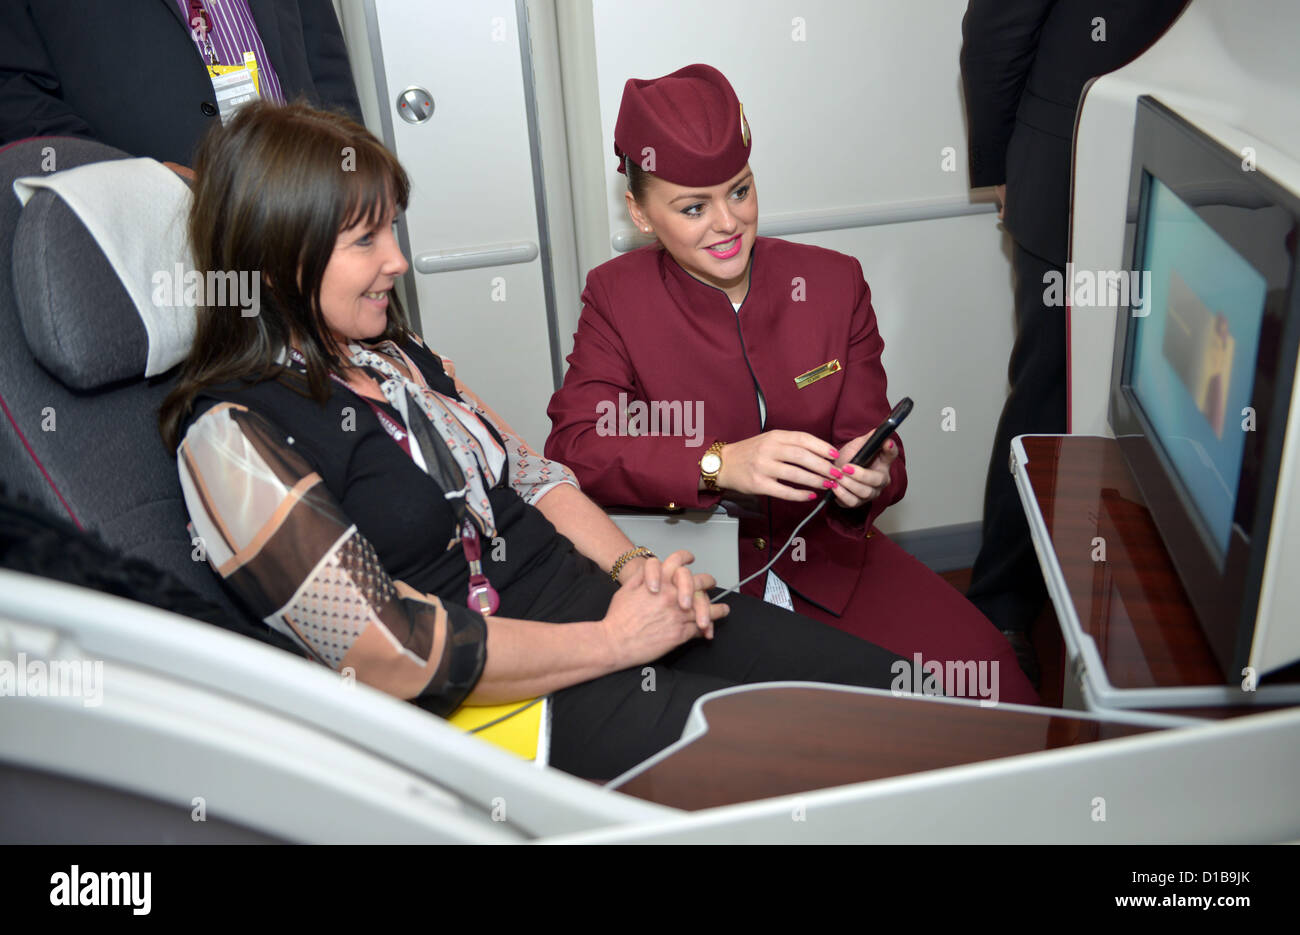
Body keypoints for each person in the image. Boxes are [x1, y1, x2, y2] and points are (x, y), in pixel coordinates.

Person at [159, 101, 918, 782]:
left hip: (602, 607)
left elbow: (529, 474)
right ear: (280, 260)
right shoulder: (229, 438)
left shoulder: (394, 356)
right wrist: (616, 642)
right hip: (510, 698)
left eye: (392, 226)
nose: (396, 258)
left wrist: (637, 571)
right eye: (366, 240)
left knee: (903, 704)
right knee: (819, 764)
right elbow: (391, 650)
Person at [544, 64, 1037, 706]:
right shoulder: (616, 298)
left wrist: (871, 478)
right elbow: (576, 448)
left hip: (829, 555)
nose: (728, 223)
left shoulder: (832, 284)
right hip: (697, 576)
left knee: (995, 685)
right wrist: (721, 464)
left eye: (740, 191)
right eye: (694, 207)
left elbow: (879, 447)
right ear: (639, 212)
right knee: (790, 739)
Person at [960, 0, 1188, 681]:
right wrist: (1005, 168)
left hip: (1200, 171)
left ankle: (1141, 614)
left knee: (1171, 406)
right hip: (1070, 170)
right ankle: (1000, 602)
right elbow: (996, 30)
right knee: (1049, 393)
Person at [0, 0, 361, 168]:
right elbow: (17, 90)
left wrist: (357, 177)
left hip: (309, 208)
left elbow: (323, 56)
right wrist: (126, 184)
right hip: (165, 243)